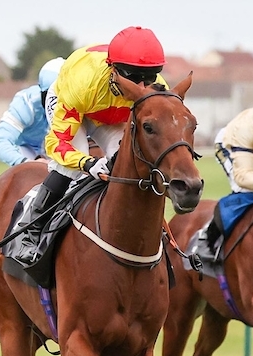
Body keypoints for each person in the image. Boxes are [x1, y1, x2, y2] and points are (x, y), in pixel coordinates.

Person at [14, 26, 168, 265]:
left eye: (148, 78)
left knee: (128, 161)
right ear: (113, 69)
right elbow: (57, 144)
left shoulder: (157, 87)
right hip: (77, 103)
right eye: (134, 78)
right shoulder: (81, 84)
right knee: (72, 167)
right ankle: (31, 229)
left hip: (111, 115)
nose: (141, 86)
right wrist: (88, 163)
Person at [0, 57, 65, 167]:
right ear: (43, 93)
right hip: (26, 150)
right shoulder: (27, 103)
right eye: (52, 97)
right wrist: (27, 163)